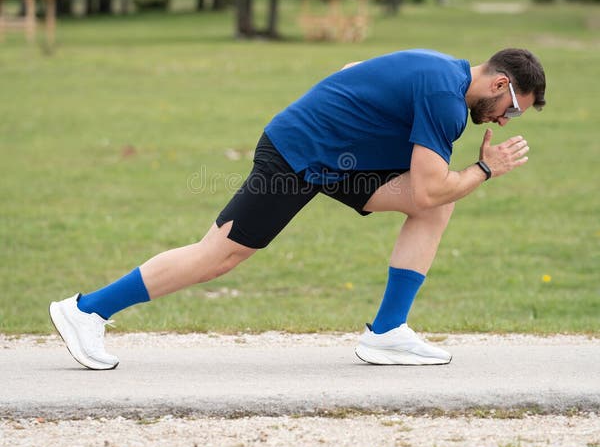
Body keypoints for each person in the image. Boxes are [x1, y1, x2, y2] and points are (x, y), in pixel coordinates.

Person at [49, 47, 546, 370]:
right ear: (500, 84)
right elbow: (427, 187)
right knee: (217, 256)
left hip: (338, 161)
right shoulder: (445, 100)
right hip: (299, 153)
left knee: (438, 206)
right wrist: (483, 170)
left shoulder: (444, 71)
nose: (506, 121)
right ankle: (86, 310)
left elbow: (356, 69)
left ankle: (388, 332)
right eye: (514, 109)